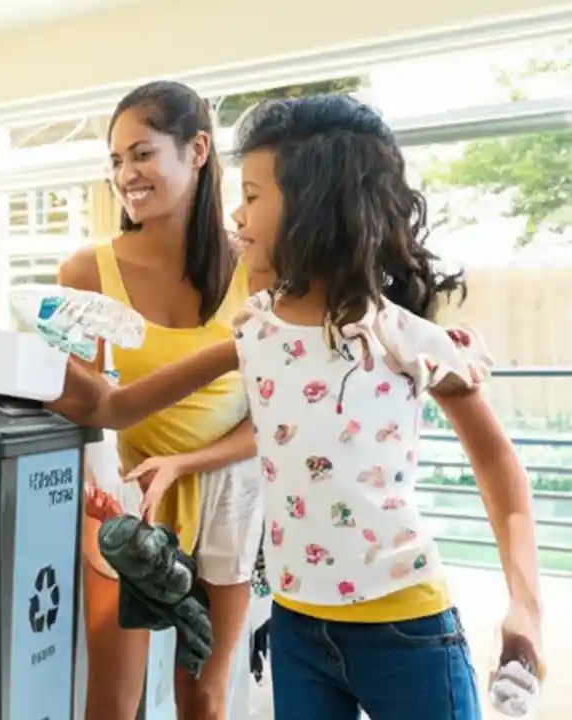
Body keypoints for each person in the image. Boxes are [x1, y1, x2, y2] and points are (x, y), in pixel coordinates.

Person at [51, 93, 544, 720]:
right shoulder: (253, 331)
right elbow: (116, 407)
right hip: (298, 631)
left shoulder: (403, 337)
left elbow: (500, 467)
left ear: (313, 206)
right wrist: (5, 360)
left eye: (253, 196)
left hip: (408, 624)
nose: (236, 211)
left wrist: (525, 605)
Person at [58, 81, 264, 719]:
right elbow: (85, 405)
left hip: (228, 491)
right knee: (112, 701)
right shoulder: (87, 271)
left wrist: (185, 463)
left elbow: (275, 417)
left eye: (142, 154)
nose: (126, 175)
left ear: (197, 149)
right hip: (126, 503)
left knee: (203, 693)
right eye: (116, 161)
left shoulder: (257, 268)